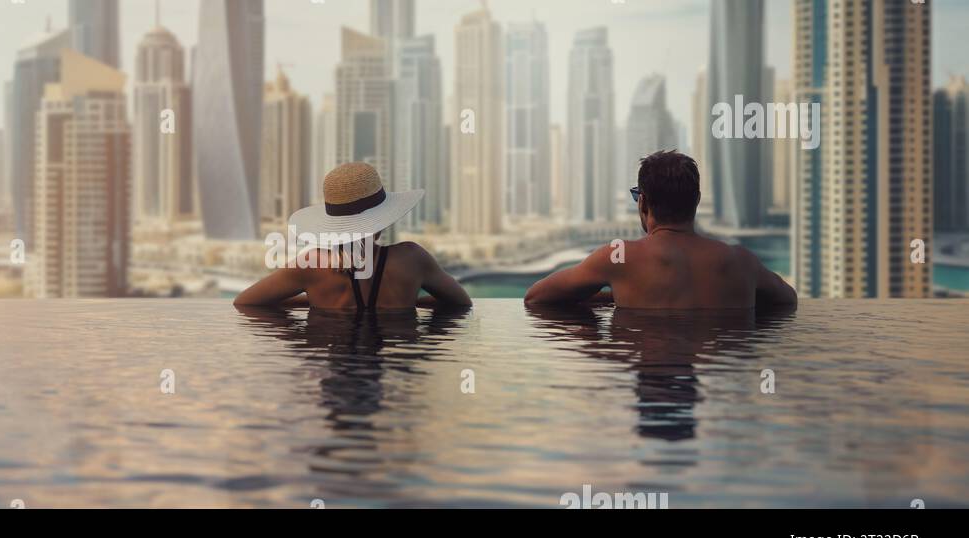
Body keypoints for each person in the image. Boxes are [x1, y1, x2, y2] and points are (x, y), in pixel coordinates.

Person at [524, 150, 797, 309]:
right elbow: (788, 301)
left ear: (642, 201)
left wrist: (612, 297)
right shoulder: (741, 261)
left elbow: (536, 298)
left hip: (649, 368)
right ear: (697, 200)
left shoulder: (619, 258)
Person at [235, 162, 472, 310]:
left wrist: (311, 301)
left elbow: (245, 302)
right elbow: (461, 303)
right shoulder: (413, 259)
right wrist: (412, 303)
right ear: (382, 220)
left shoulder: (311, 264)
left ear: (333, 225)